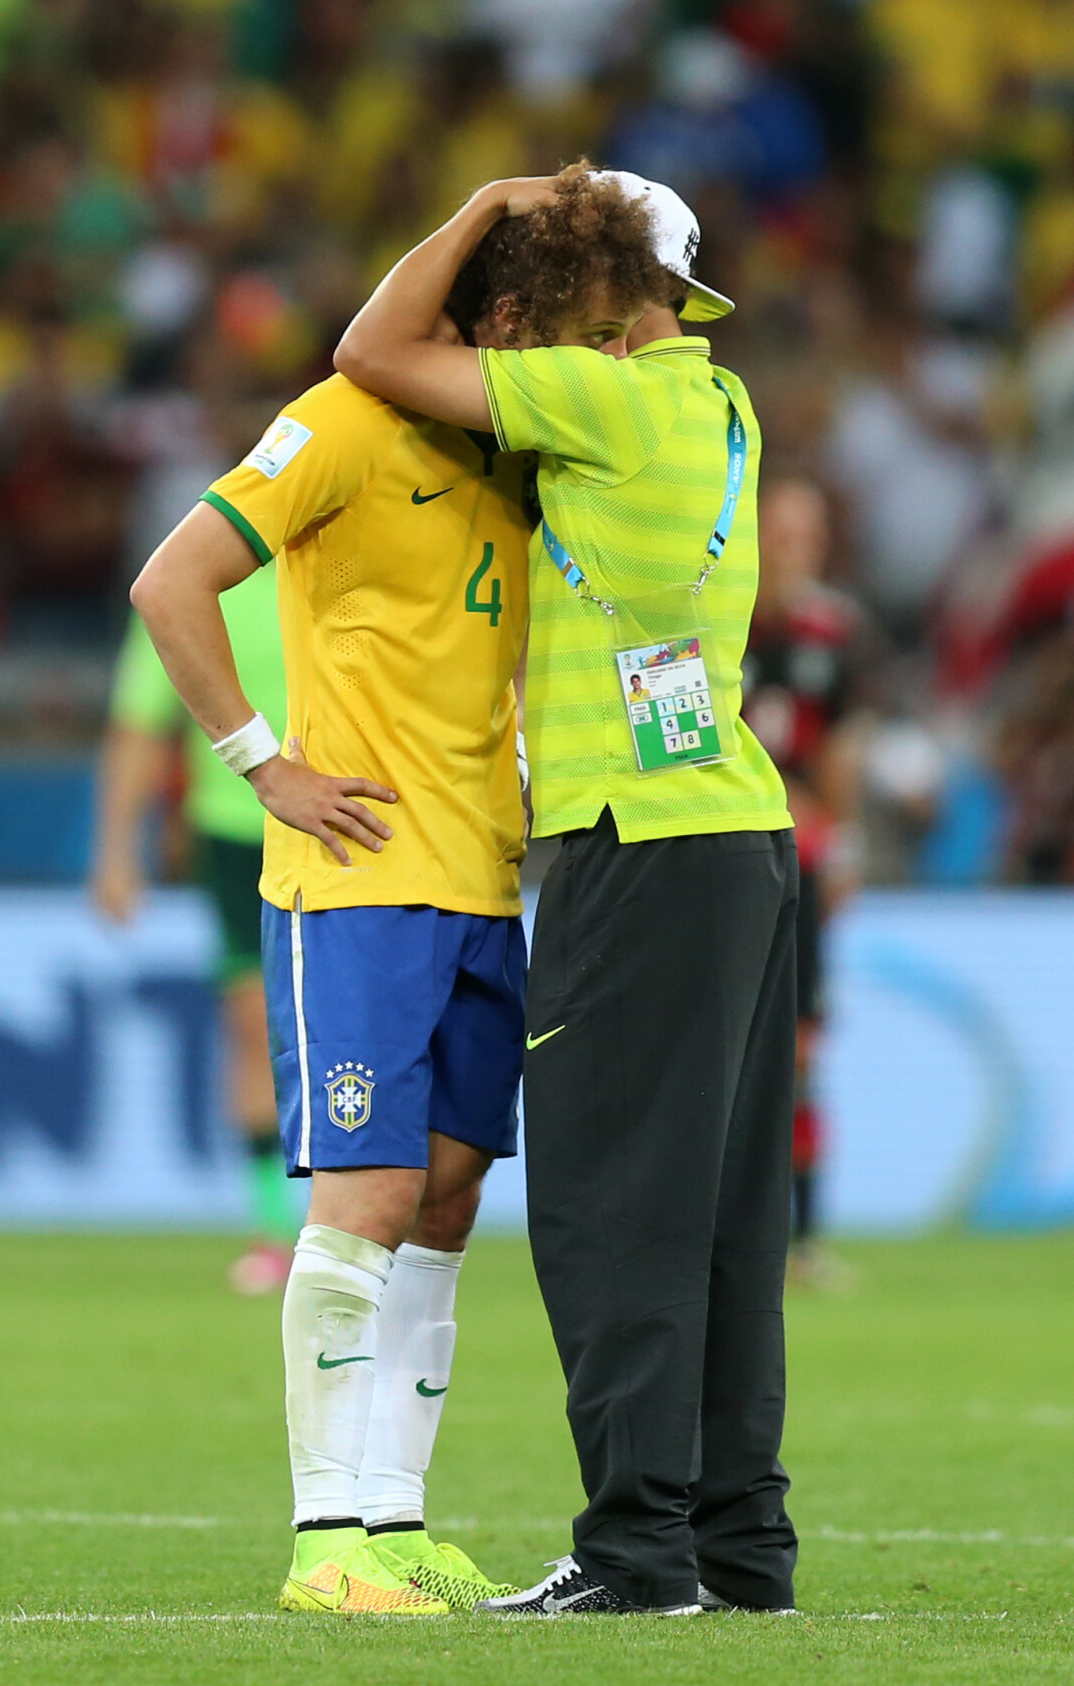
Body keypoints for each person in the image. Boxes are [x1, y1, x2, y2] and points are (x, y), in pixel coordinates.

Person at [129, 170, 668, 1617]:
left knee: (442, 1203)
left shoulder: (519, 456)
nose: (585, 358)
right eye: (567, 329)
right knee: (363, 1195)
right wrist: (263, 764)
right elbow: (169, 581)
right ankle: (322, 1543)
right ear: (498, 317)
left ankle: (394, 1516)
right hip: (358, 878)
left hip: (485, 877)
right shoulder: (340, 424)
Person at [336, 166, 800, 1616]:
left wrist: (476, 206)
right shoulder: (719, 407)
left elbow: (370, 351)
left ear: (596, 309)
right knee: (725, 1221)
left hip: (634, 846)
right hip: (740, 835)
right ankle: (738, 1548)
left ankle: (636, 1554)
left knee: (609, 1212)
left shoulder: (603, 398)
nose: (512, 339)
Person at [91, 589, 299, 1294]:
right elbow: (141, 724)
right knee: (254, 1028)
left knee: (365, 1023)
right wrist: (117, 853)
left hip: (342, 811)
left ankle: (374, 1226)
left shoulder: (348, 546)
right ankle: (275, 1231)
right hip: (238, 831)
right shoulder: (197, 572)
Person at [743, 477, 874, 1282]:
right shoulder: (719, 614)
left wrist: (847, 838)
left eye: (807, 528)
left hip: (804, 855)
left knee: (798, 1045)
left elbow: (843, 748)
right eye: (781, 527)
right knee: (724, 1043)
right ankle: (729, 1230)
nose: (795, 543)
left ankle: (803, 1239)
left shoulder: (835, 632)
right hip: (727, 848)